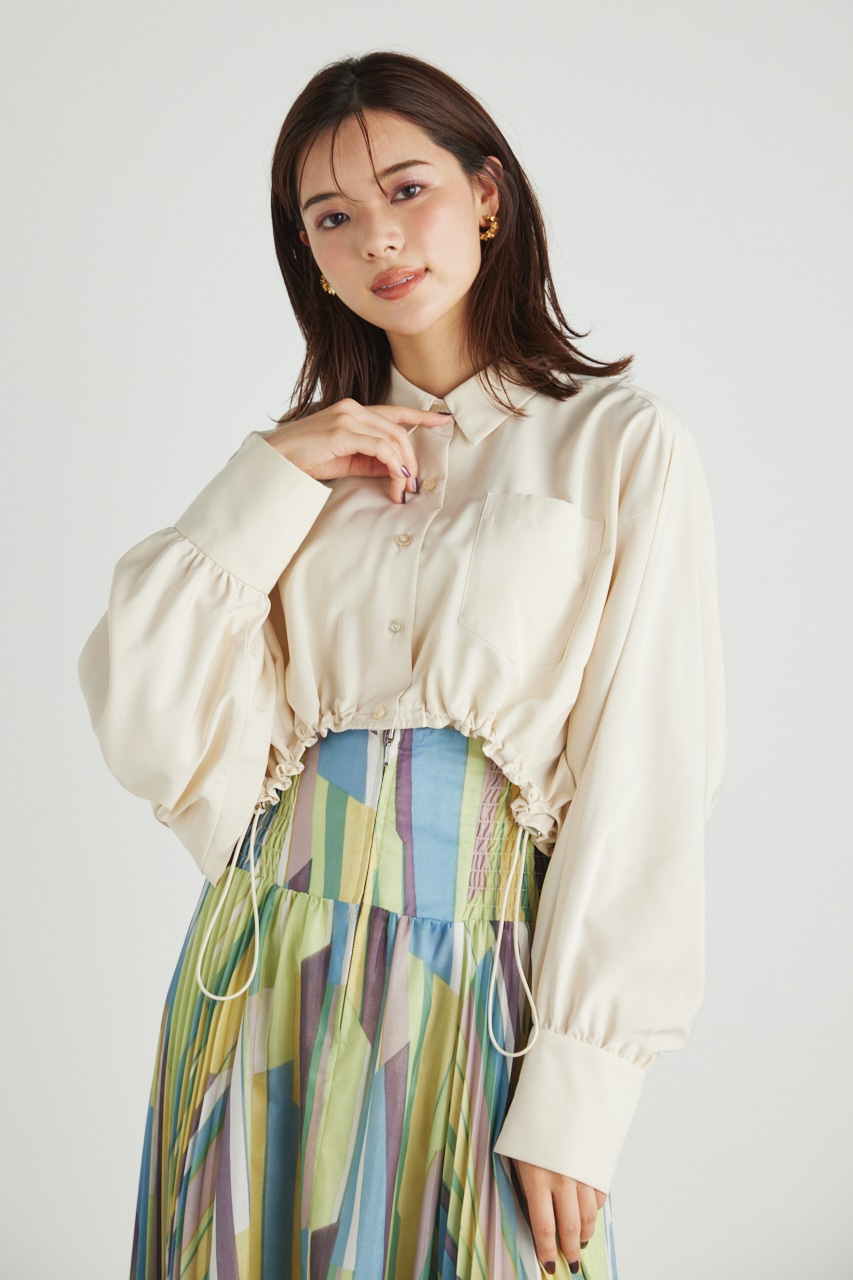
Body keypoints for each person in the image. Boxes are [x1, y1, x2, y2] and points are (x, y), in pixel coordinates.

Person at [78, 50, 726, 1280]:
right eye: (332, 216)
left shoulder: (618, 444)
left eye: (407, 189)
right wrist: (270, 472)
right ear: (308, 254)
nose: (378, 235)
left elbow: (648, 779)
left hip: (477, 982)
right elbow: (144, 721)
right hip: (261, 970)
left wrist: (582, 1084)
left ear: (486, 195)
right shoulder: (296, 474)